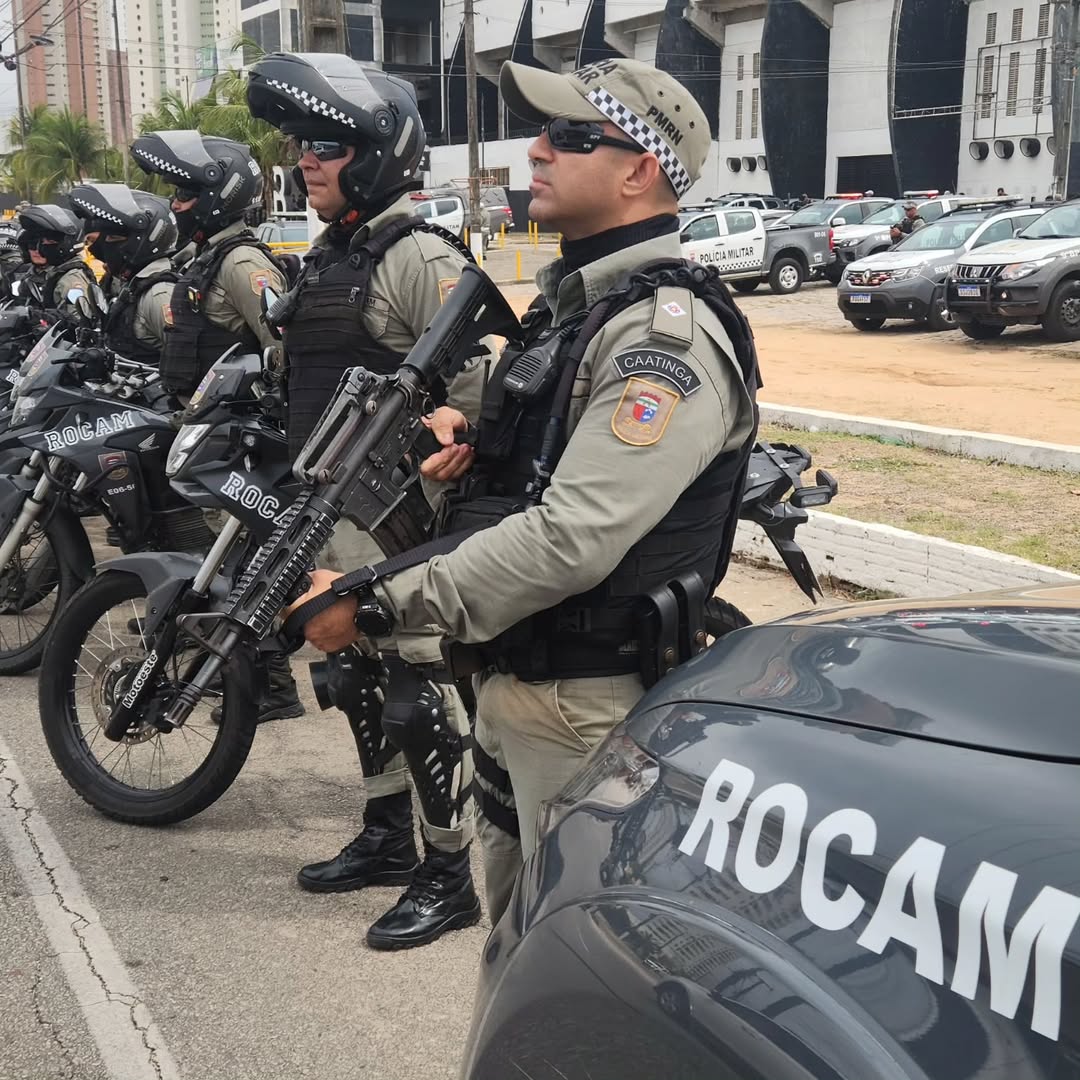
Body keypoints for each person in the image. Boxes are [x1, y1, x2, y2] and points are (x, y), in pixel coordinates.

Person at [286, 56, 759, 924]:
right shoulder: (574, 311)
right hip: (518, 689)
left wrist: (378, 603)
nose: (535, 148)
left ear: (638, 170)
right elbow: (545, 471)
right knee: (513, 946)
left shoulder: (664, 339)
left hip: (586, 709)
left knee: (573, 978)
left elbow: (572, 537)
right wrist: (477, 445)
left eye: (569, 135)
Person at [247, 51, 486, 948]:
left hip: (398, 520)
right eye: (301, 145)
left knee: (415, 687)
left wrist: (460, 425)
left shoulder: (420, 255)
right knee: (348, 670)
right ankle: (387, 836)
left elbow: (482, 379)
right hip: (327, 508)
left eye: (327, 145)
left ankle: (448, 869)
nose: (306, 160)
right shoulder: (329, 254)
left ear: (380, 155)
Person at [130, 129, 305, 725]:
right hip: (207, 435)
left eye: (185, 192)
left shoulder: (242, 263)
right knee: (230, 564)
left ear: (218, 195)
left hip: (239, 444)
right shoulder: (205, 261)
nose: (175, 204)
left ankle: (273, 688)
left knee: (248, 566)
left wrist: (250, 399)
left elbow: (286, 347)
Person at [68, 184, 178, 364]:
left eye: (113, 238)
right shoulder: (132, 287)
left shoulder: (158, 294)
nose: (105, 246)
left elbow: (187, 362)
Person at [16, 203, 96, 317]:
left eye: (51, 241)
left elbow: (78, 323)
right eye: (33, 244)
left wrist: (39, 319)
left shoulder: (70, 279)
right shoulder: (30, 277)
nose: (38, 249)